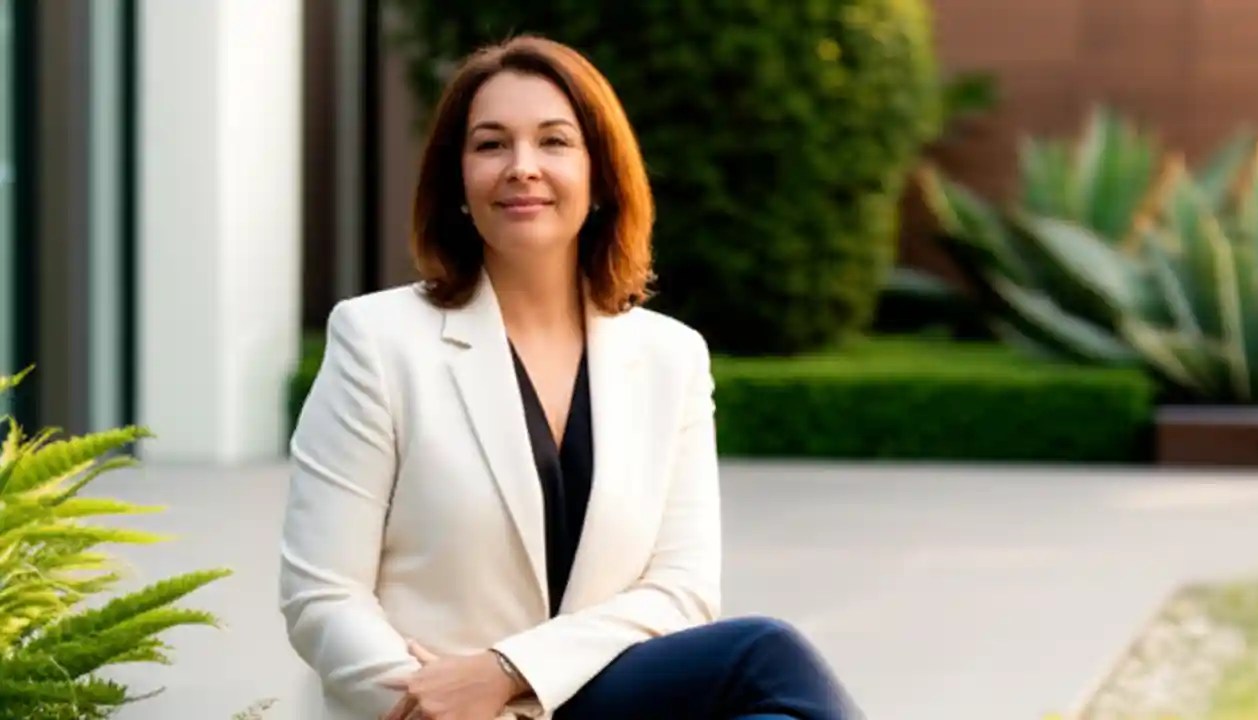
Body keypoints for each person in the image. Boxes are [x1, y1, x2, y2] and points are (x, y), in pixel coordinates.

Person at [279, 34, 863, 720]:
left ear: (601, 177)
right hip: (430, 714)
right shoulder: (378, 340)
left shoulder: (671, 357)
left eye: (554, 142)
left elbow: (682, 591)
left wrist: (510, 671)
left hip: (598, 702)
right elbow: (323, 595)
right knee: (767, 656)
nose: (522, 167)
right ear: (457, 181)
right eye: (491, 144)